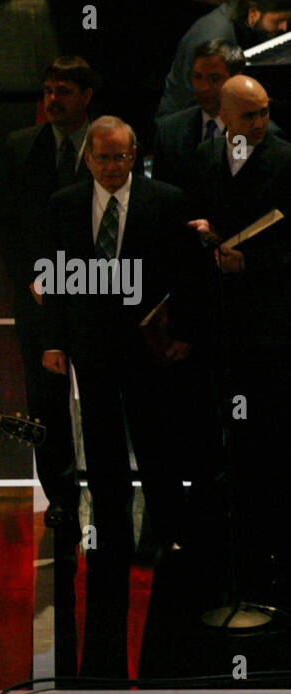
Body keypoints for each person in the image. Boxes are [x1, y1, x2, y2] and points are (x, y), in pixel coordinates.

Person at [42, 116, 200, 681]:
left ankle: (168, 533)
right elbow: (57, 278)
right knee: (103, 445)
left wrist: (182, 333)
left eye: (121, 157)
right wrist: (56, 342)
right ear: (88, 158)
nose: (112, 167)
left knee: (155, 442)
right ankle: (109, 536)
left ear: (136, 156)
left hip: (148, 346)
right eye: (103, 158)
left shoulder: (166, 200)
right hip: (92, 346)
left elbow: (186, 275)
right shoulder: (64, 204)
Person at [185, 75, 291, 602]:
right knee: (218, 436)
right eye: (249, 115)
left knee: (266, 441)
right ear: (222, 116)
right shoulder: (205, 159)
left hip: (268, 329)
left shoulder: (287, 160)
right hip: (217, 325)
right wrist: (204, 232)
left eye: (264, 112)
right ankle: (224, 550)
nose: (259, 122)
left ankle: (269, 550)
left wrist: (252, 262)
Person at [0, 56, 91, 530]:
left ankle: (107, 488)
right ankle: (61, 496)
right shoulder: (19, 148)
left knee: (101, 395)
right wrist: (30, 281)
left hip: (95, 296)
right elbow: (7, 227)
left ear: (87, 96)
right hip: (36, 297)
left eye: (64, 91)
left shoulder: (108, 144)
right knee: (45, 402)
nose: (53, 99)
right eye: (48, 90)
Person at [157, 1, 291, 118]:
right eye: (279, 21)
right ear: (254, 13)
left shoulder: (240, 20)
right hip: (187, 124)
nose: (284, 27)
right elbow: (205, 93)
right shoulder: (216, 37)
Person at [153, 40, 248, 189]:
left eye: (214, 79)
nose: (203, 87)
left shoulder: (251, 132)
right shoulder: (169, 131)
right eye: (197, 77)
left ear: (237, 79)